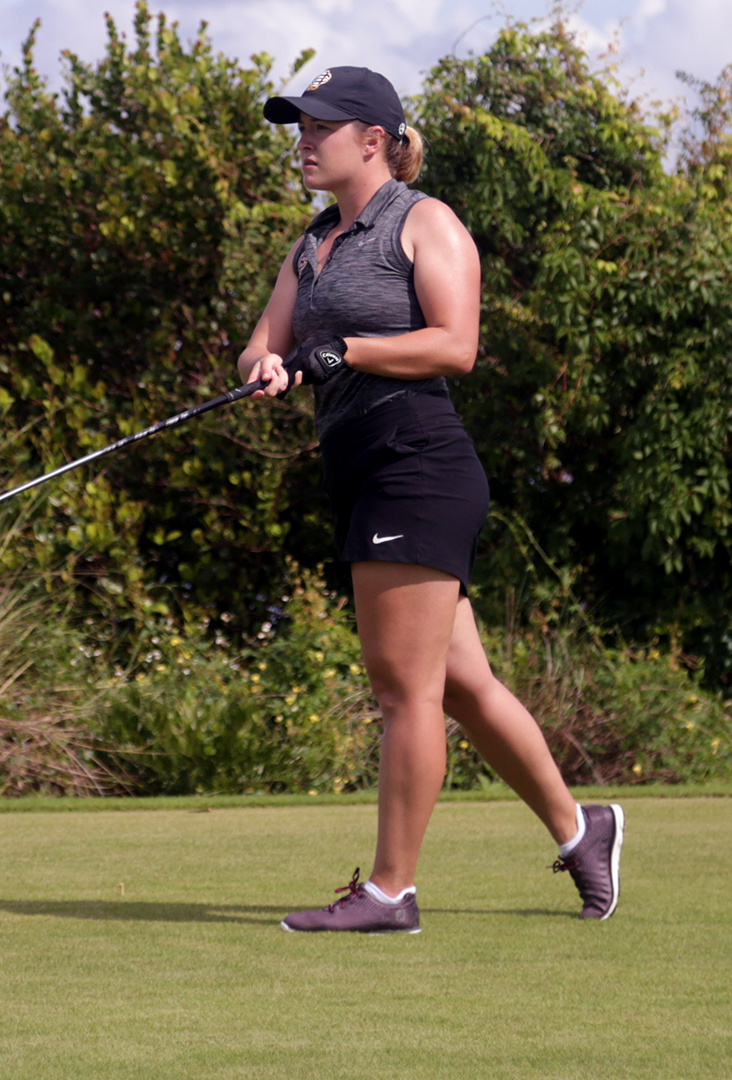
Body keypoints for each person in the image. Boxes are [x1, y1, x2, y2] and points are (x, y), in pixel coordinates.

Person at [237, 66, 622, 933]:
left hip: (415, 461)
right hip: (359, 468)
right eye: (299, 126)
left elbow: (457, 345)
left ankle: (390, 892)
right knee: (461, 685)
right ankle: (581, 829)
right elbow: (264, 341)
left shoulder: (424, 222)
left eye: (319, 126)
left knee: (402, 687)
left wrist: (348, 350)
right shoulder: (312, 243)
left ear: (373, 140)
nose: (303, 140)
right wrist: (266, 366)